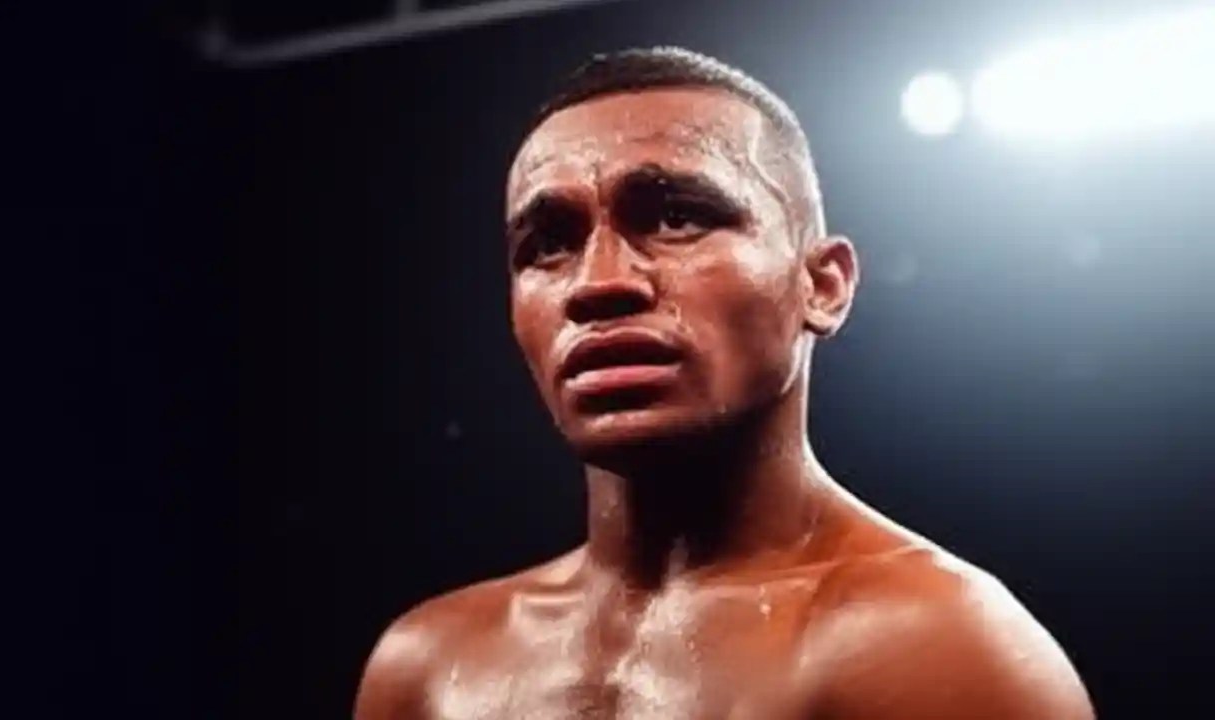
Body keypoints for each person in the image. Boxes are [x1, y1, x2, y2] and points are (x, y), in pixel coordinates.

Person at [355, 46, 1094, 719]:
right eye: (546, 245)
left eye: (676, 218)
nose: (598, 283)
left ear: (822, 285)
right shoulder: (427, 666)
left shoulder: (937, 647)